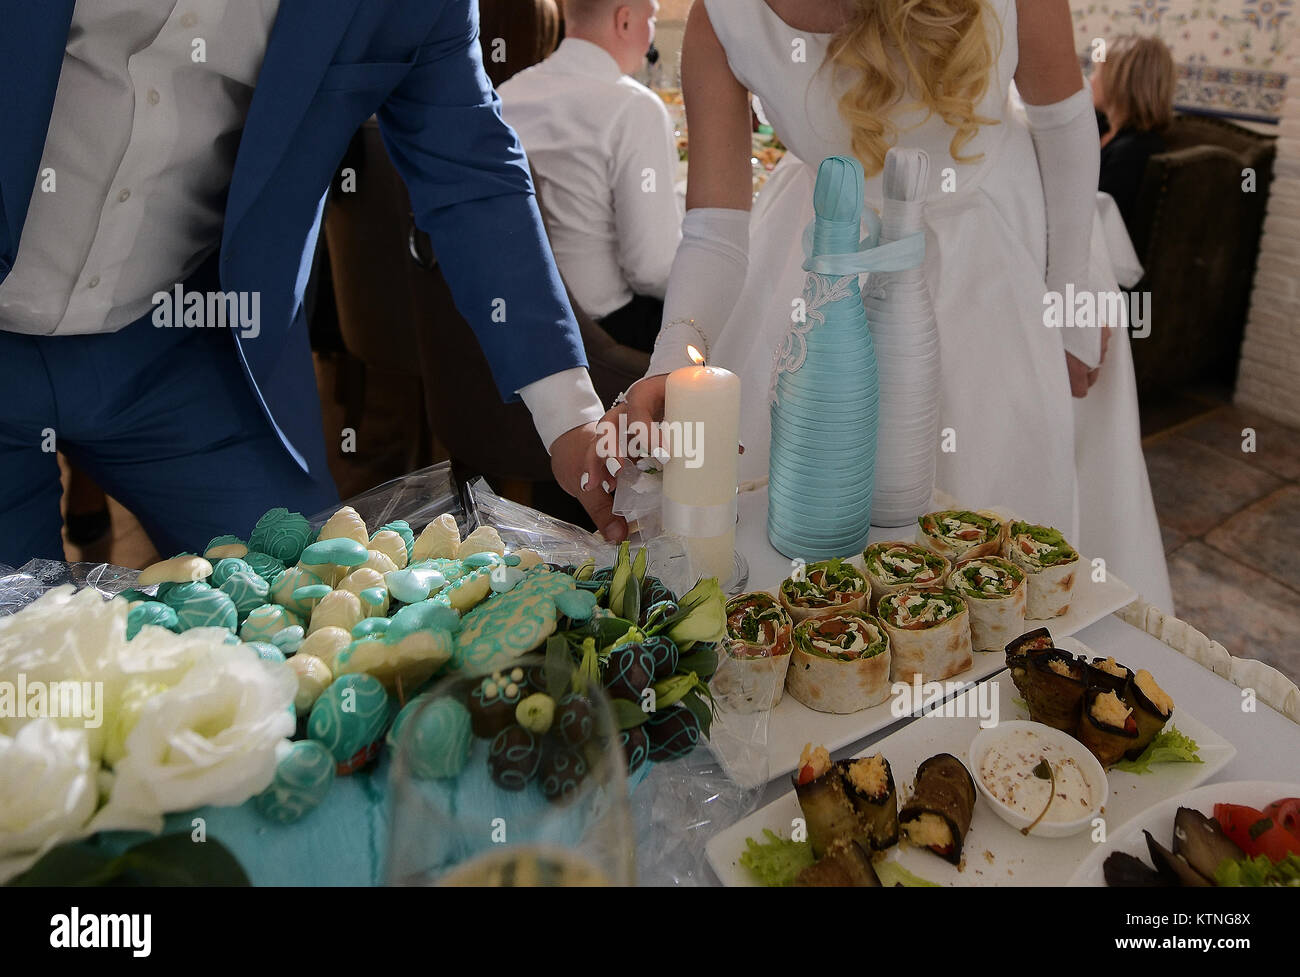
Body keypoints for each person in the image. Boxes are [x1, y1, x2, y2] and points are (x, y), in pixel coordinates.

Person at [563, 0, 1174, 610]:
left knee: (989, 519)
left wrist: (1069, 295)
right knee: (809, 519)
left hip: (990, 258)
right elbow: (716, 228)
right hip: (824, 255)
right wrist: (672, 358)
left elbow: (1064, 122)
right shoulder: (720, 17)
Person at [0, 0, 611, 565]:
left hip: (187, 346)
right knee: (18, 659)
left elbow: (473, 174)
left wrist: (572, 422)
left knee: (310, 606)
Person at [498, 0, 682, 353]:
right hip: (597, 337)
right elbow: (651, 270)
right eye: (652, 20)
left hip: (518, 321)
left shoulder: (506, 97)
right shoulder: (634, 108)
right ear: (624, 20)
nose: (652, 37)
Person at [1092, 34, 1176, 235]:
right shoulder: (1102, 127)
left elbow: (1101, 217)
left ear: (1118, 81)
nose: (1090, 80)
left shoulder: (1134, 151)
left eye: (1097, 72)